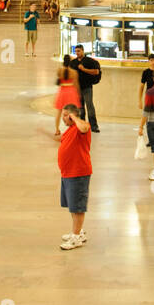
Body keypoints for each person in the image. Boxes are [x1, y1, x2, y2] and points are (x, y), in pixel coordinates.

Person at [57, 105, 93, 250]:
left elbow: (84, 128)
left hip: (78, 173)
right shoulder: (70, 130)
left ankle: (76, 237)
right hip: (68, 173)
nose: (63, 117)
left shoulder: (82, 127)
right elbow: (62, 141)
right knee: (73, 205)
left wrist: (74, 117)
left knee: (78, 207)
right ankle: (79, 232)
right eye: (63, 115)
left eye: (67, 115)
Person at [70, 44, 101, 132]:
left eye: (79, 51)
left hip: (87, 87)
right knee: (80, 108)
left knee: (89, 106)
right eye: (76, 51)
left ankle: (93, 126)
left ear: (83, 51)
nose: (77, 53)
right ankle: (82, 125)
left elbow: (96, 71)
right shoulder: (73, 63)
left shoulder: (89, 61)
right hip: (77, 89)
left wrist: (84, 69)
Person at [54, 55, 81, 137]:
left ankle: (57, 129)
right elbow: (76, 84)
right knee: (74, 112)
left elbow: (58, 79)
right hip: (71, 92)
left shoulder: (59, 70)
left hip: (62, 91)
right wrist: (79, 94)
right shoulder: (74, 72)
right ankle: (76, 129)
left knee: (59, 112)